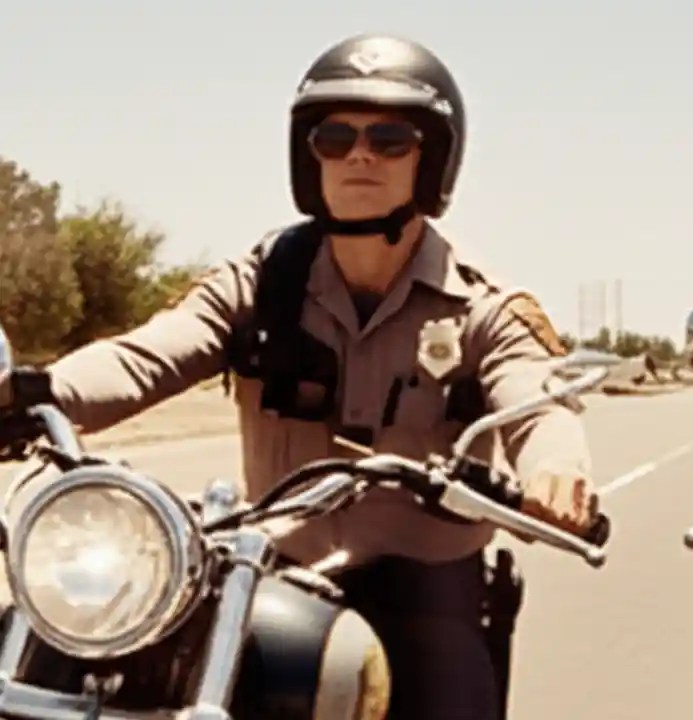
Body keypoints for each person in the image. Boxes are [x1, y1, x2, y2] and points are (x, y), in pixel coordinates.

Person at [4, 33, 600, 719]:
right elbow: (148, 355)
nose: (360, 154)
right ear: (306, 155)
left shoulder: (482, 306)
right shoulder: (261, 283)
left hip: (425, 590)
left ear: (432, 157)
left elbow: (539, 405)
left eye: (391, 137)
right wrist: (36, 391)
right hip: (272, 575)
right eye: (335, 136)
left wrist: (557, 474)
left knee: (447, 692)